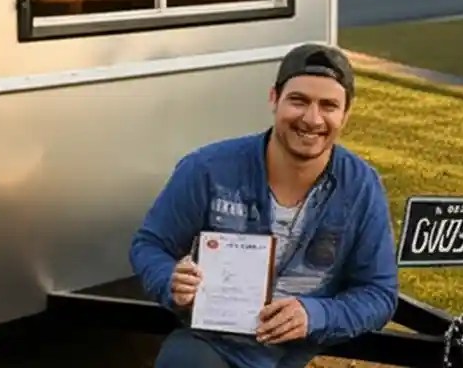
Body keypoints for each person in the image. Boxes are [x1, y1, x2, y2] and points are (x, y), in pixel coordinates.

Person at [129, 42, 399, 368]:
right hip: (212, 343)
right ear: (274, 98)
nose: (312, 119)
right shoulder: (208, 169)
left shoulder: (360, 186)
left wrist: (314, 315)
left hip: (293, 350)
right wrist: (170, 279)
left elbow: (379, 293)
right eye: (298, 100)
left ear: (346, 113)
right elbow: (149, 245)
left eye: (328, 105)